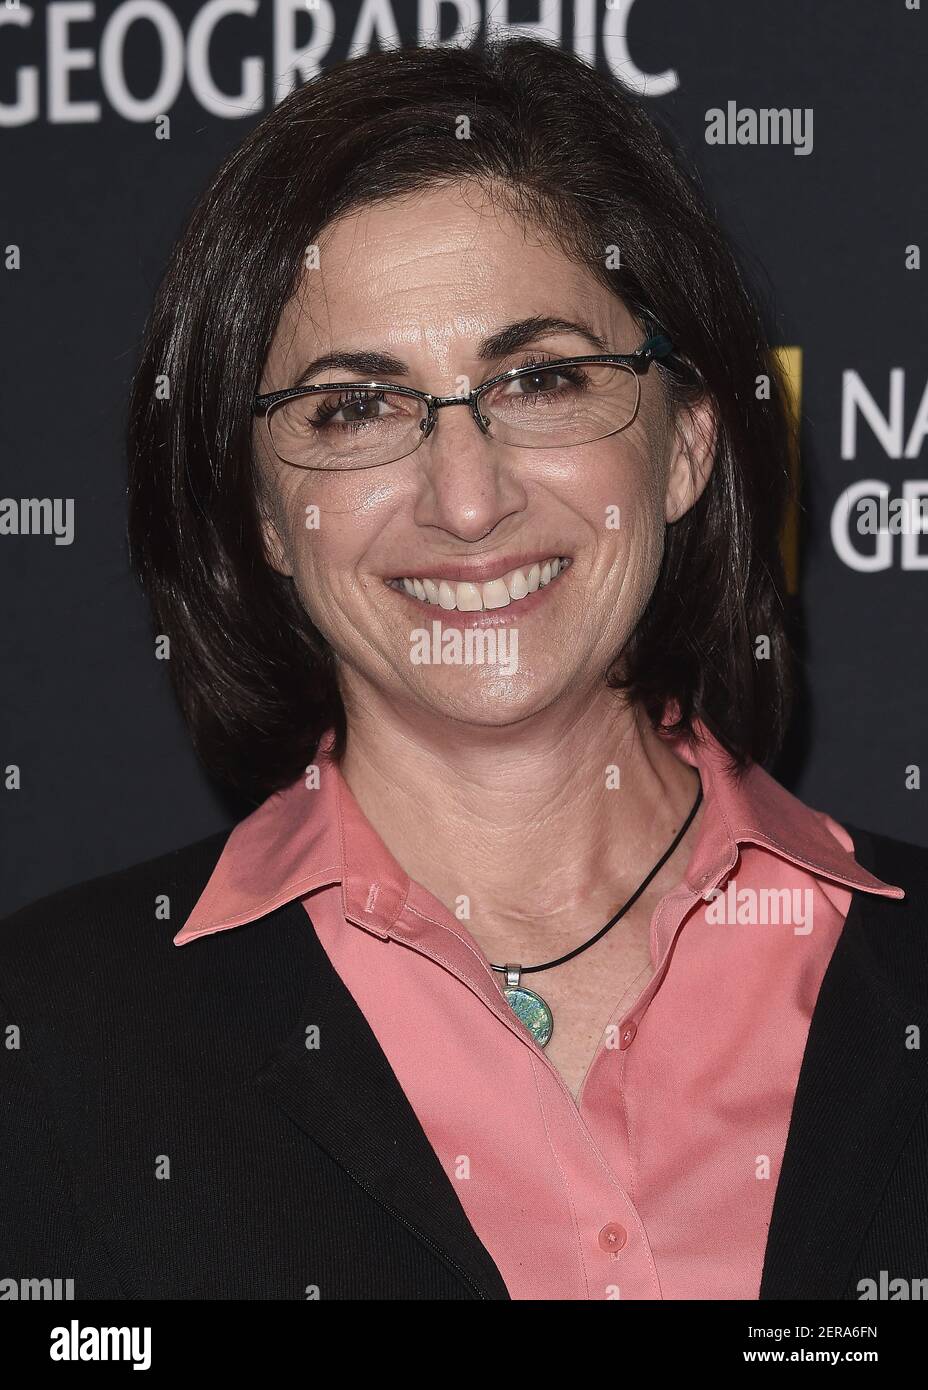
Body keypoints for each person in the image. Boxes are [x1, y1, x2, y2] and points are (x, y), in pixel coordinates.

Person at [2, 36, 926, 1303]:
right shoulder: (50, 1050)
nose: (468, 497)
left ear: (686, 448)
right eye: (355, 409)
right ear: (266, 517)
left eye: (540, 378)